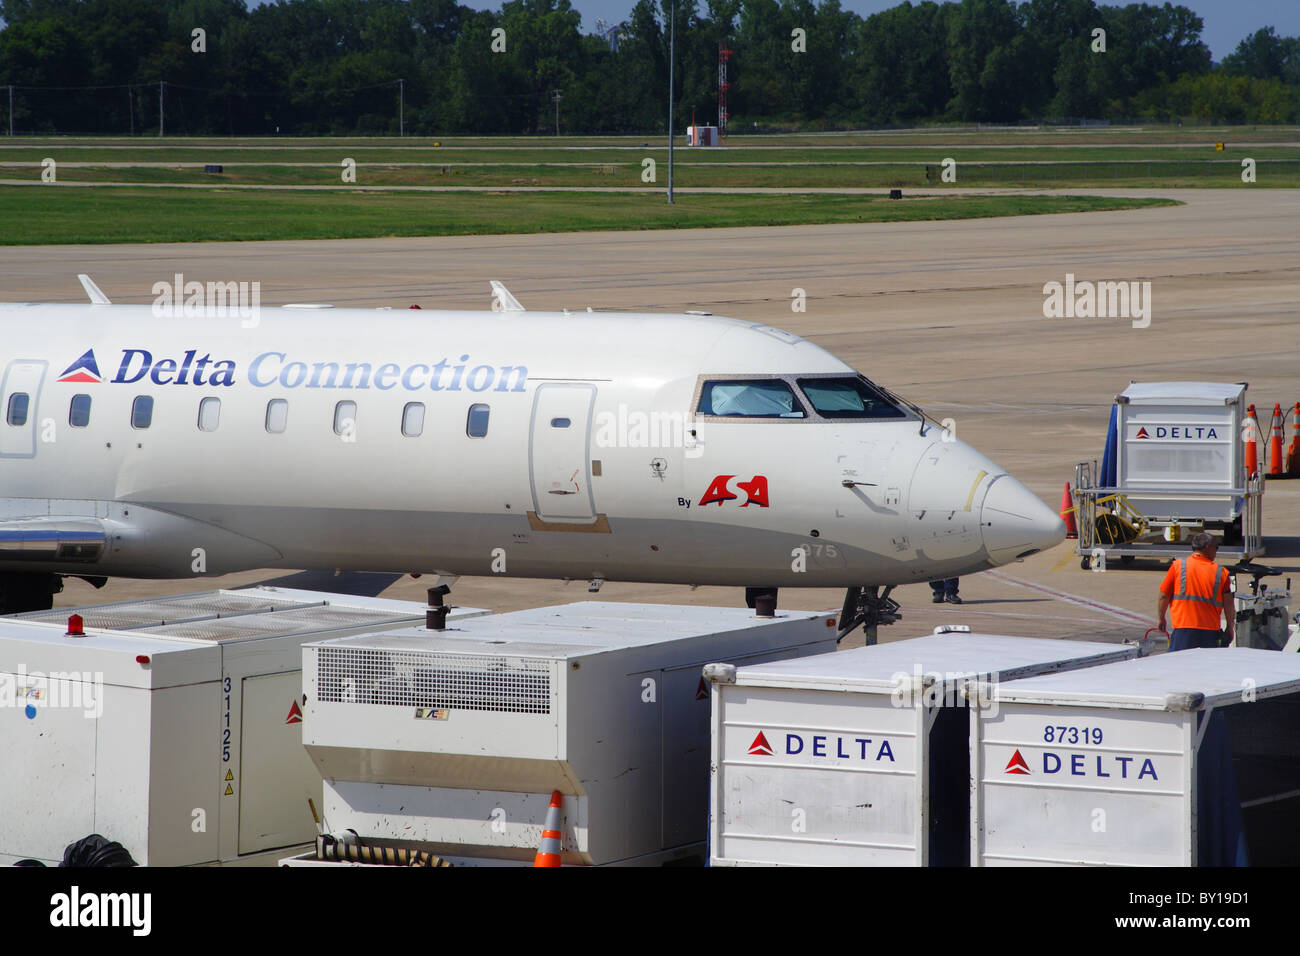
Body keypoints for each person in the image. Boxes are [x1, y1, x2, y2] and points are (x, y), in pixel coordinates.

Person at [1157, 532, 1234, 651]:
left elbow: (1164, 595)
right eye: (1216, 547)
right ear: (1207, 548)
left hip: (1183, 629)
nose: (1217, 551)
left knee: (1178, 666)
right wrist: (1230, 627)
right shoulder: (1221, 572)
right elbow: (1229, 604)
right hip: (1209, 632)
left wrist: (1161, 618)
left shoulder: (1178, 566)